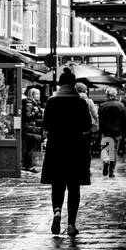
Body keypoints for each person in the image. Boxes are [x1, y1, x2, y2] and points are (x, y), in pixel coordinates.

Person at [40, 68, 92, 237]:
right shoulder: (80, 103)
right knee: (74, 187)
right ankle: (71, 224)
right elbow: (87, 126)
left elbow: (46, 125)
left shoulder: (51, 101)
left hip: (56, 147)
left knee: (57, 184)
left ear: (60, 84)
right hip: (75, 148)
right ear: (73, 84)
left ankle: (56, 211)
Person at [98, 89, 126, 177]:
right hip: (117, 132)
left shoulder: (102, 105)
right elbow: (124, 121)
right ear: (115, 95)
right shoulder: (121, 105)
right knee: (113, 150)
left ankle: (105, 162)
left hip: (106, 131)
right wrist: (124, 133)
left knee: (105, 149)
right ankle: (111, 172)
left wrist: (100, 132)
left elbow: (100, 121)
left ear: (107, 95)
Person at [21, 85, 43, 171]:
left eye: (39, 94)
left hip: (32, 129)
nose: (39, 95)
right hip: (30, 129)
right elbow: (28, 115)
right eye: (37, 94)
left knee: (30, 147)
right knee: (31, 148)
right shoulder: (29, 103)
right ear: (32, 95)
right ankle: (29, 166)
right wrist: (36, 111)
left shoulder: (32, 103)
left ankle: (26, 165)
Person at [75, 82, 99, 154]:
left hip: (75, 128)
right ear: (84, 91)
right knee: (86, 147)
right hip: (87, 128)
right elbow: (95, 115)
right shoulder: (89, 101)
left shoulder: (72, 100)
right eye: (86, 90)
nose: (87, 91)